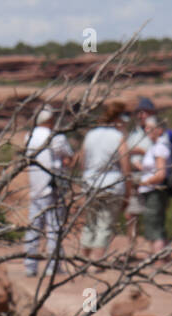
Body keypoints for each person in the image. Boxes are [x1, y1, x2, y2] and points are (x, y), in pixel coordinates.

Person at [23, 106, 73, 277]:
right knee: (54, 227)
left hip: (35, 187)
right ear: (50, 120)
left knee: (34, 227)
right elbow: (68, 157)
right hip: (52, 187)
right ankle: (53, 266)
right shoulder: (56, 137)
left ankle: (30, 266)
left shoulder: (28, 137)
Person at [79, 100, 131, 257]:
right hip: (112, 185)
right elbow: (126, 166)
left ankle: (83, 258)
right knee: (105, 224)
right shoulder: (118, 137)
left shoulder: (90, 135)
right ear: (118, 118)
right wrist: (128, 192)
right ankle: (96, 261)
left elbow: (82, 161)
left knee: (90, 223)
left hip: (90, 183)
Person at [136, 115, 171, 255]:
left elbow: (161, 174)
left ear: (159, 130)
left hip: (155, 192)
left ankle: (158, 259)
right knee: (155, 224)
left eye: (150, 128)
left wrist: (144, 182)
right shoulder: (156, 146)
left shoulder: (159, 148)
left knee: (154, 226)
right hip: (152, 191)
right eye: (146, 127)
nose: (146, 130)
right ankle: (161, 255)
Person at [124, 96, 157, 239]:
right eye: (139, 112)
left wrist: (143, 152)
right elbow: (126, 152)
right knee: (132, 214)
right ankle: (131, 248)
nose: (141, 115)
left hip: (154, 176)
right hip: (136, 176)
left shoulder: (158, 132)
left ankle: (154, 248)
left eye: (145, 112)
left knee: (153, 213)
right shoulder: (134, 134)